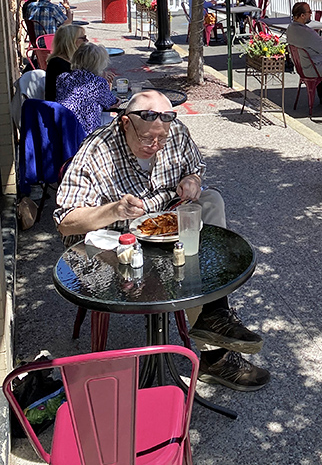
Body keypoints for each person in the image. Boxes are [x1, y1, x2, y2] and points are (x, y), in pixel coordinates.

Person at [54, 90, 269, 392]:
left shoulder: (176, 132)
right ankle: (216, 350)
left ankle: (214, 317)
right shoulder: (98, 150)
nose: (155, 146)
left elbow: (195, 167)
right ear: (126, 123)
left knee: (210, 201)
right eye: (146, 140)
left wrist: (192, 180)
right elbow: (65, 222)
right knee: (185, 264)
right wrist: (113, 209)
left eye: (161, 140)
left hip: (167, 221)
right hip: (117, 243)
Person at [55, 42, 117, 135]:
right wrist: (117, 99)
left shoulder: (63, 78)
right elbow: (110, 103)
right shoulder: (98, 83)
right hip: (85, 131)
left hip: (62, 128)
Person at [45, 24, 87, 101]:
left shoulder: (75, 59)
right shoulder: (57, 64)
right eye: (83, 38)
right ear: (71, 41)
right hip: (62, 108)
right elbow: (74, 90)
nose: (87, 41)